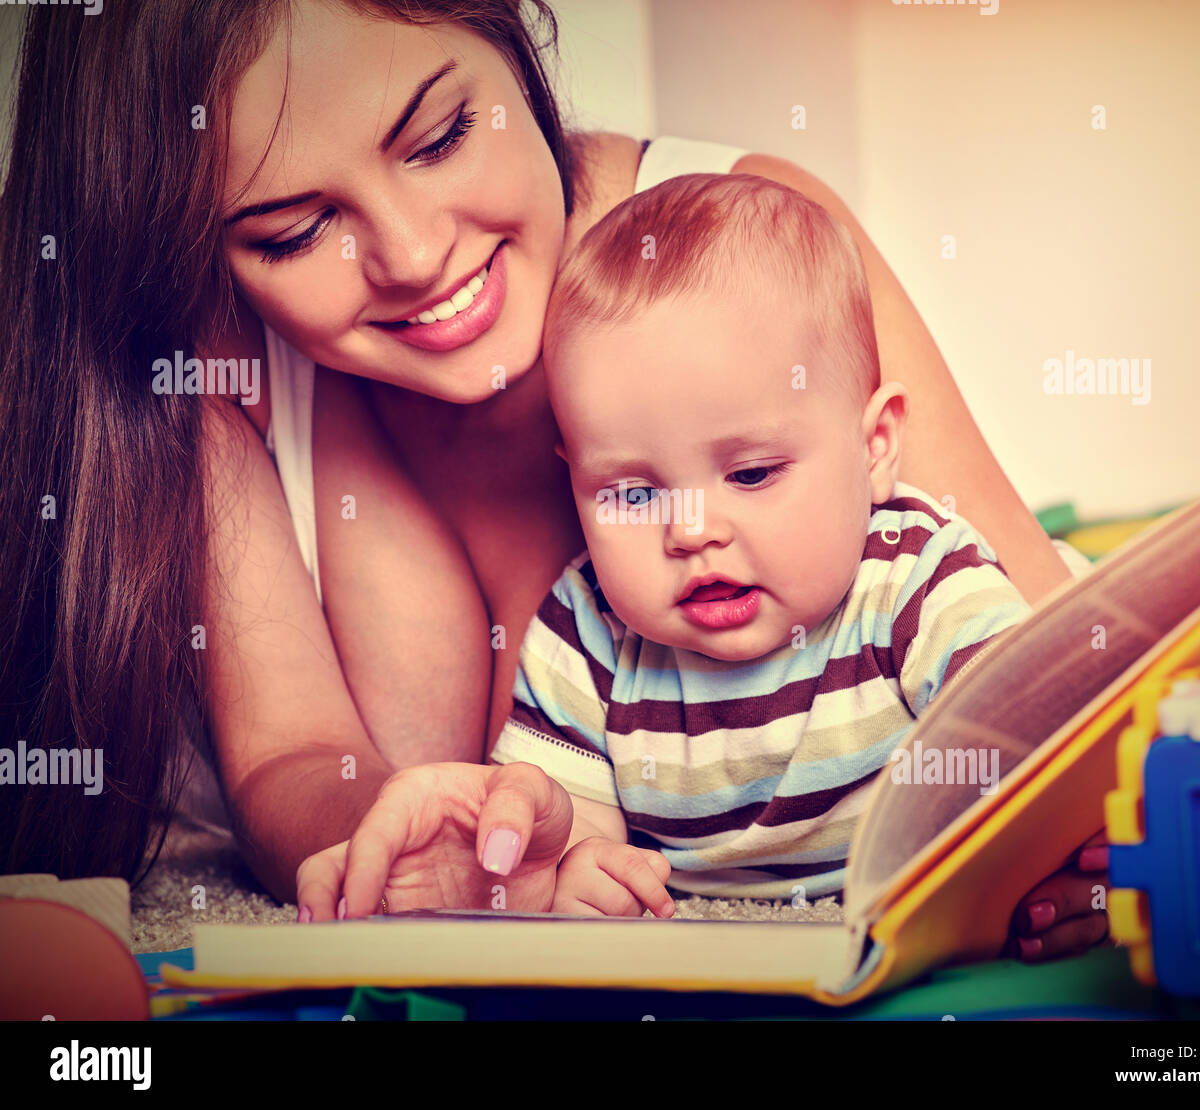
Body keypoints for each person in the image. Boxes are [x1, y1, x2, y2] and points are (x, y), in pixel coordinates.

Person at [0, 1, 1101, 961]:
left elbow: (1043, 644)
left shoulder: (753, 241)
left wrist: (1080, 830)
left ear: (508, 37)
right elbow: (289, 752)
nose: (413, 254)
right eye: (298, 230)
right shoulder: (218, 375)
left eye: (435, 138)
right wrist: (402, 835)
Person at [487, 171, 1033, 915]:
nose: (690, 531)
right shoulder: (586, 632)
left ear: (873, 448)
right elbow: (568, 824)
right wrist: (578, 871)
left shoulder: (921, 581)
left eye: (749, 473)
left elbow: (1039, 730)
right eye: (634, 494)